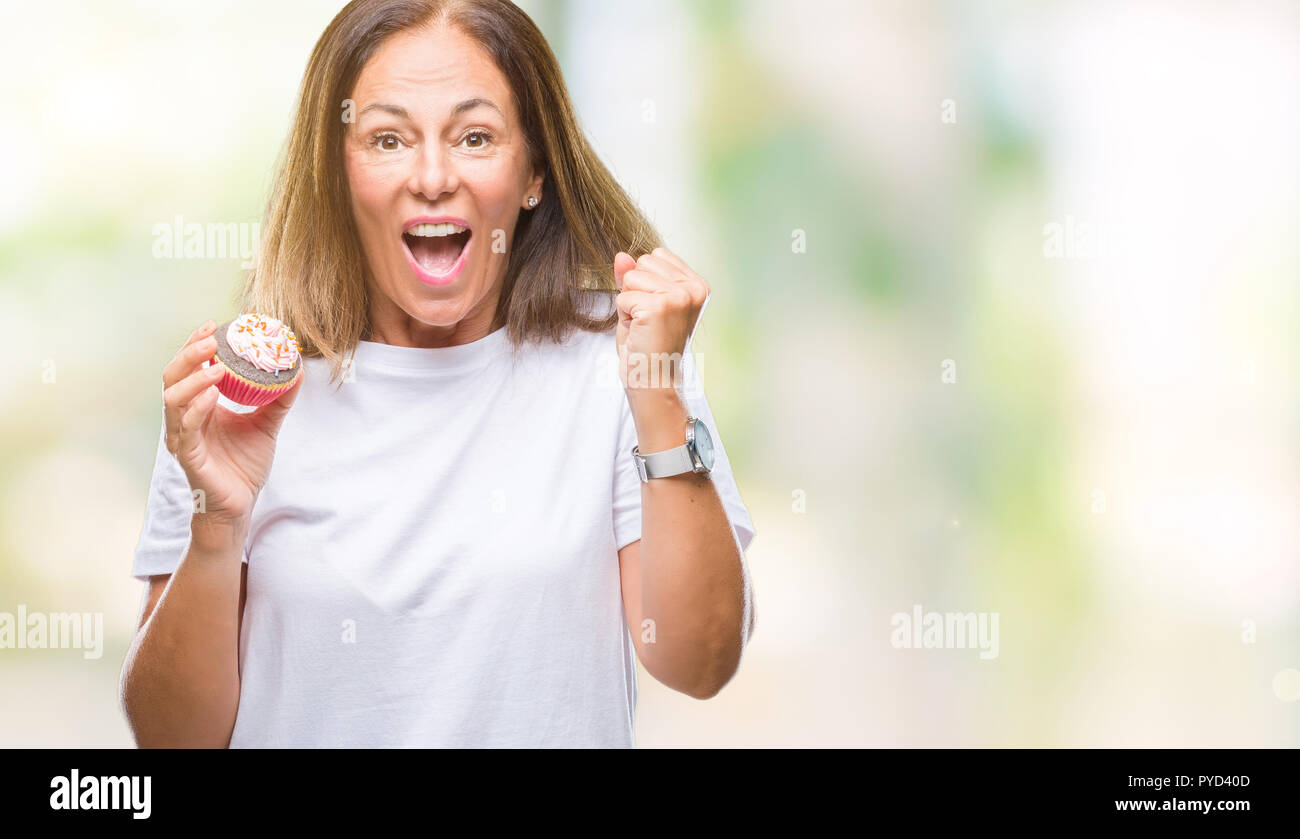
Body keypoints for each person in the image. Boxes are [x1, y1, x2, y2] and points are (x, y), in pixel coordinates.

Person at [120, 0, 756, 748]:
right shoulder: (243, 396)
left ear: (534, 173)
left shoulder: (618, 362)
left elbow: (699, 661)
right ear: (337, 170)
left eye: (475, 137)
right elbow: (172, 737)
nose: (431, 176)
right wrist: (216, 528)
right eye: (388, 138)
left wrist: (657, 395)